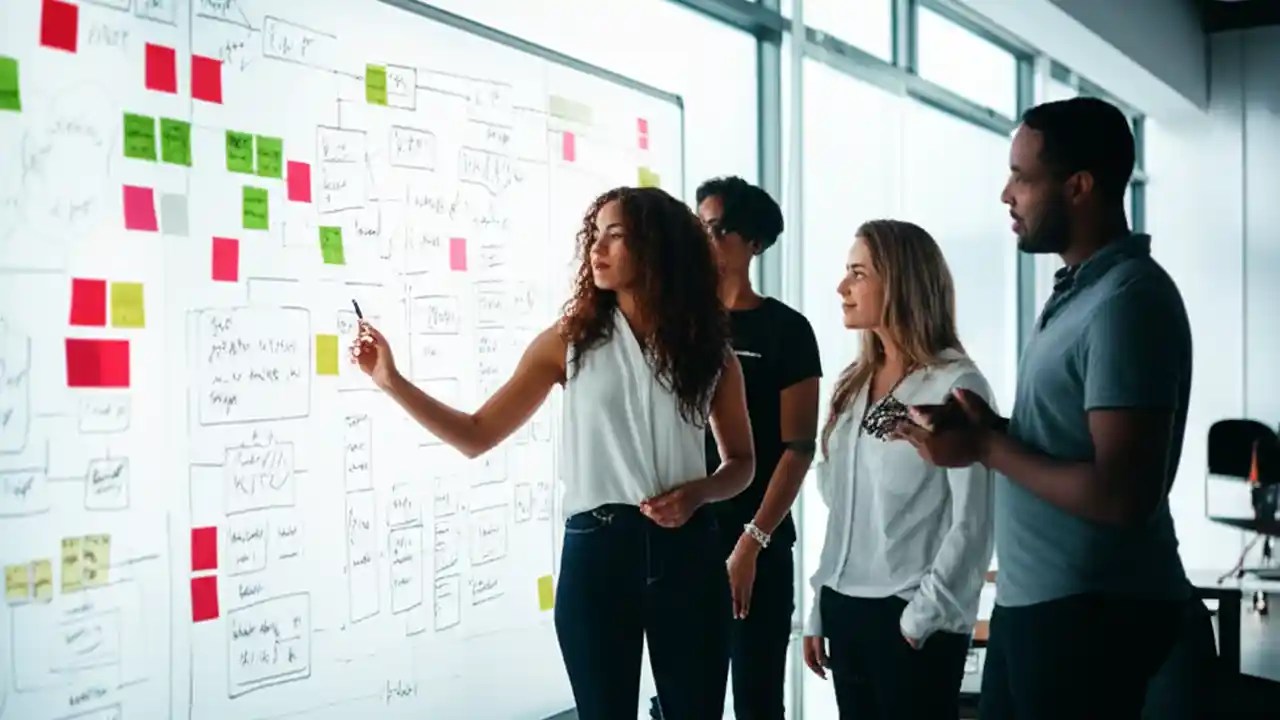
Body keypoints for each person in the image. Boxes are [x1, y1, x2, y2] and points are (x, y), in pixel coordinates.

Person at [350, 186, 755, 719]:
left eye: (616, 236)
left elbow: (742, 464)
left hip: (689, 552)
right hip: (599, 554)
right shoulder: (569, 342)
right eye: (594, 236)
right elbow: (476, 434)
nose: (597, 249)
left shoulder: (711, 352)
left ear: (657, 247)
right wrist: (391, 380)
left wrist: (699, 492)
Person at [893, 96, 1194, 719]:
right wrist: (985, 429)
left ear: (1079, 186)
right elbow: (1063, 445)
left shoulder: (1126, 302)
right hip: (1039, 608)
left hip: (1092, 616)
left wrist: (987, 446)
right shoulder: (1078, 294)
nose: (1007, 194)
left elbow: (1123, 494)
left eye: (1022, 177)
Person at [801, 219, 996, 719]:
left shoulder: (956, 384)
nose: (842, 288)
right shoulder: (853, 385)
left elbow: (973, 523)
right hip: (847, 609)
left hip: (911, 618)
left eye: (858, 273)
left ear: (900, 282)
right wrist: (821, 607)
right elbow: (845, 512)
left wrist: (919, 619)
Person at [648, 177, 821, 720]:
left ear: (754, 242)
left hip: (757, 544)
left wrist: (751, 543)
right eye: (699, 225)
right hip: (681, 539)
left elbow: (797, 448)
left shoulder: (786, 331)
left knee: (756, 698)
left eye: (718, 228)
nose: (705, 237)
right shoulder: (672, 326)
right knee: (682, 701)